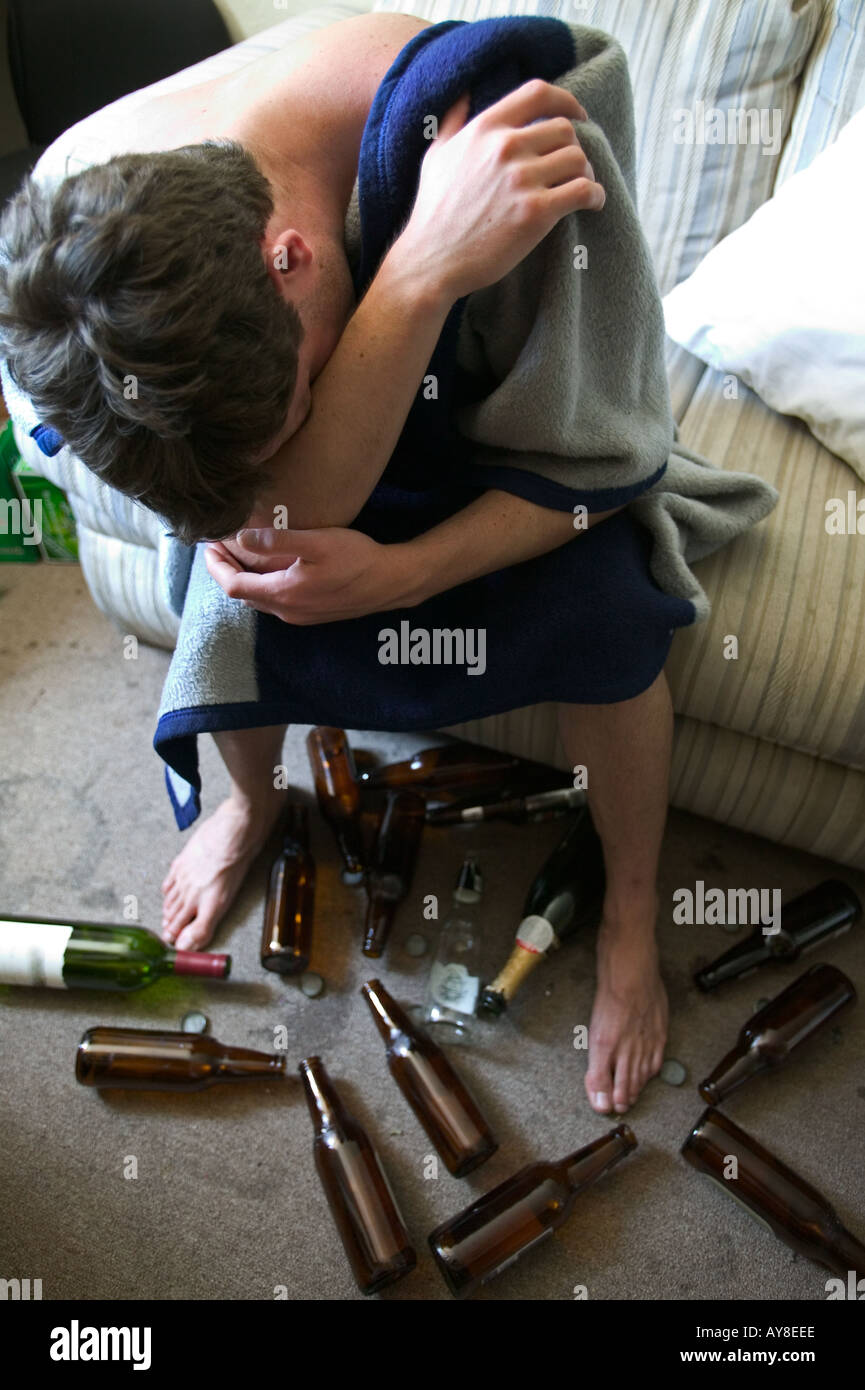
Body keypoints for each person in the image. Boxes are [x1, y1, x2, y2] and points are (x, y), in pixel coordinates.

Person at [0, 12, 673, 1115]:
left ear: (291, 258)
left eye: (299, 407)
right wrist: (406, 288)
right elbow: (228, 505)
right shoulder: (71, 201)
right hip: (341, 444)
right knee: (224, 594)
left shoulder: (498, 126)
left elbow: (606, 456)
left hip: (505, 454)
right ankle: (252, 802)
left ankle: (635, 909)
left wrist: (401, 574)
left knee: (613, 619)